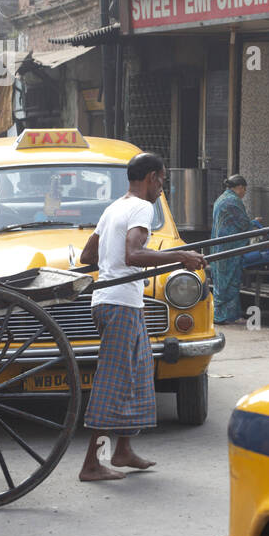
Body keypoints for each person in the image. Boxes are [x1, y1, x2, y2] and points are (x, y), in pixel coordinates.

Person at [77, 152, 205, 481]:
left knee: (138, 372)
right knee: (114, 382)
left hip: (113, 302)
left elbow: (88, 255)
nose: (163, 187)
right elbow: (132, 254)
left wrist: (113, 268)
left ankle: (122, 451)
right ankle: (92, 463)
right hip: (119, 304)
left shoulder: (114, 207)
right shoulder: (142, 208)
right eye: (161, 179)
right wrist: (181, 256)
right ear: (150, 177)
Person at [211, 174, 252, 325]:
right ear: (240, 187)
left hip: (218, 246)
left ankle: (224, 315)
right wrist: (256, 223)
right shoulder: (233, 201)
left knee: (221, 280)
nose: (244, 193)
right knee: (230, 280)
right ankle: (226, 315)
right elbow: (244, 224)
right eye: (244, 190)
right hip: (230, 248)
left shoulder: (221, 198)